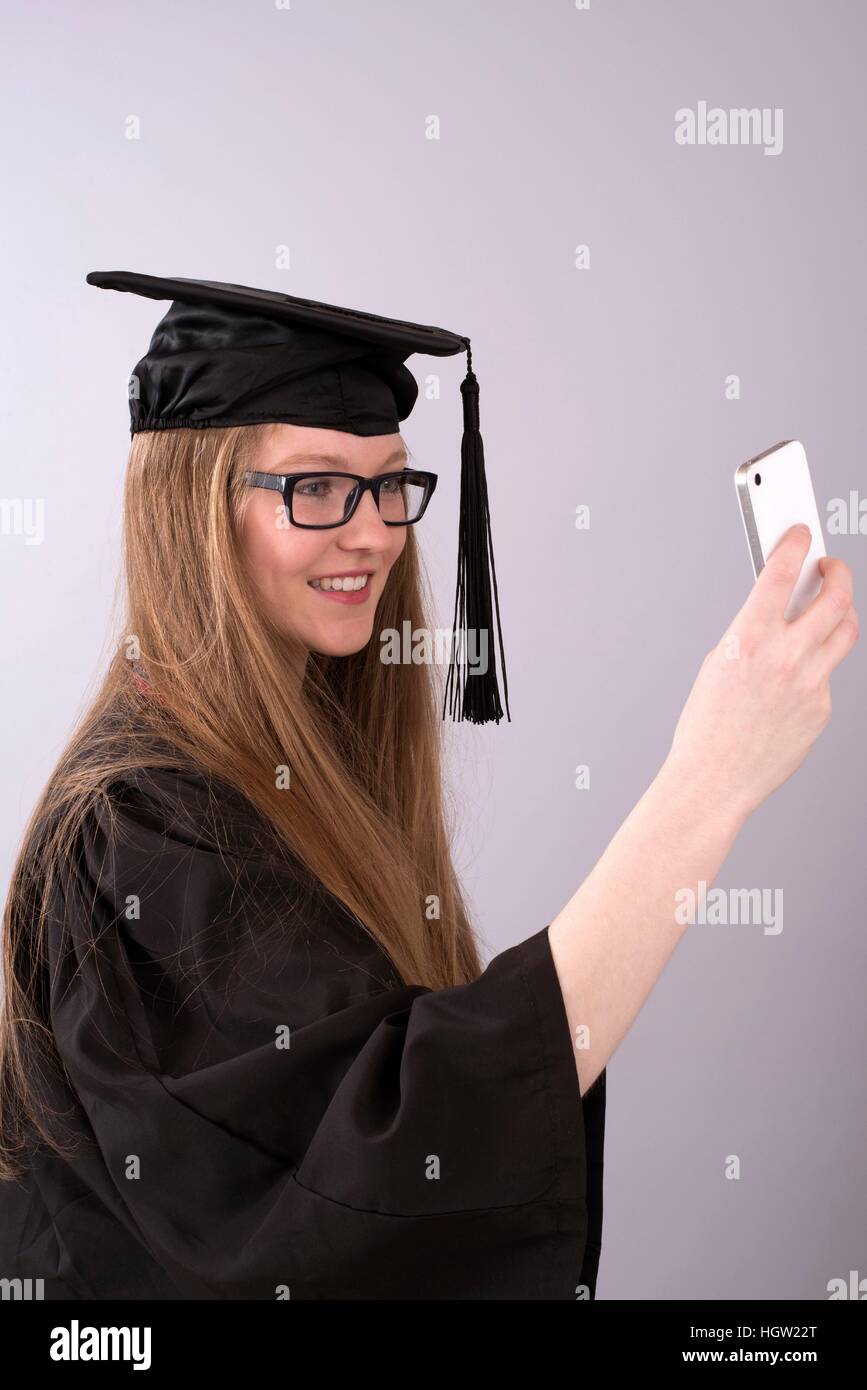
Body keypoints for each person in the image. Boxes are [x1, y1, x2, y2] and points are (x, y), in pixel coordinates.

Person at [0, 274, 857, 1301]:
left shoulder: (295, 774)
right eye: (315, 487)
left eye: (388, 484)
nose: (372, 532)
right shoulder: (140, 821)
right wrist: (707, 784)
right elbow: (377, 1162)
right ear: (192, 510)